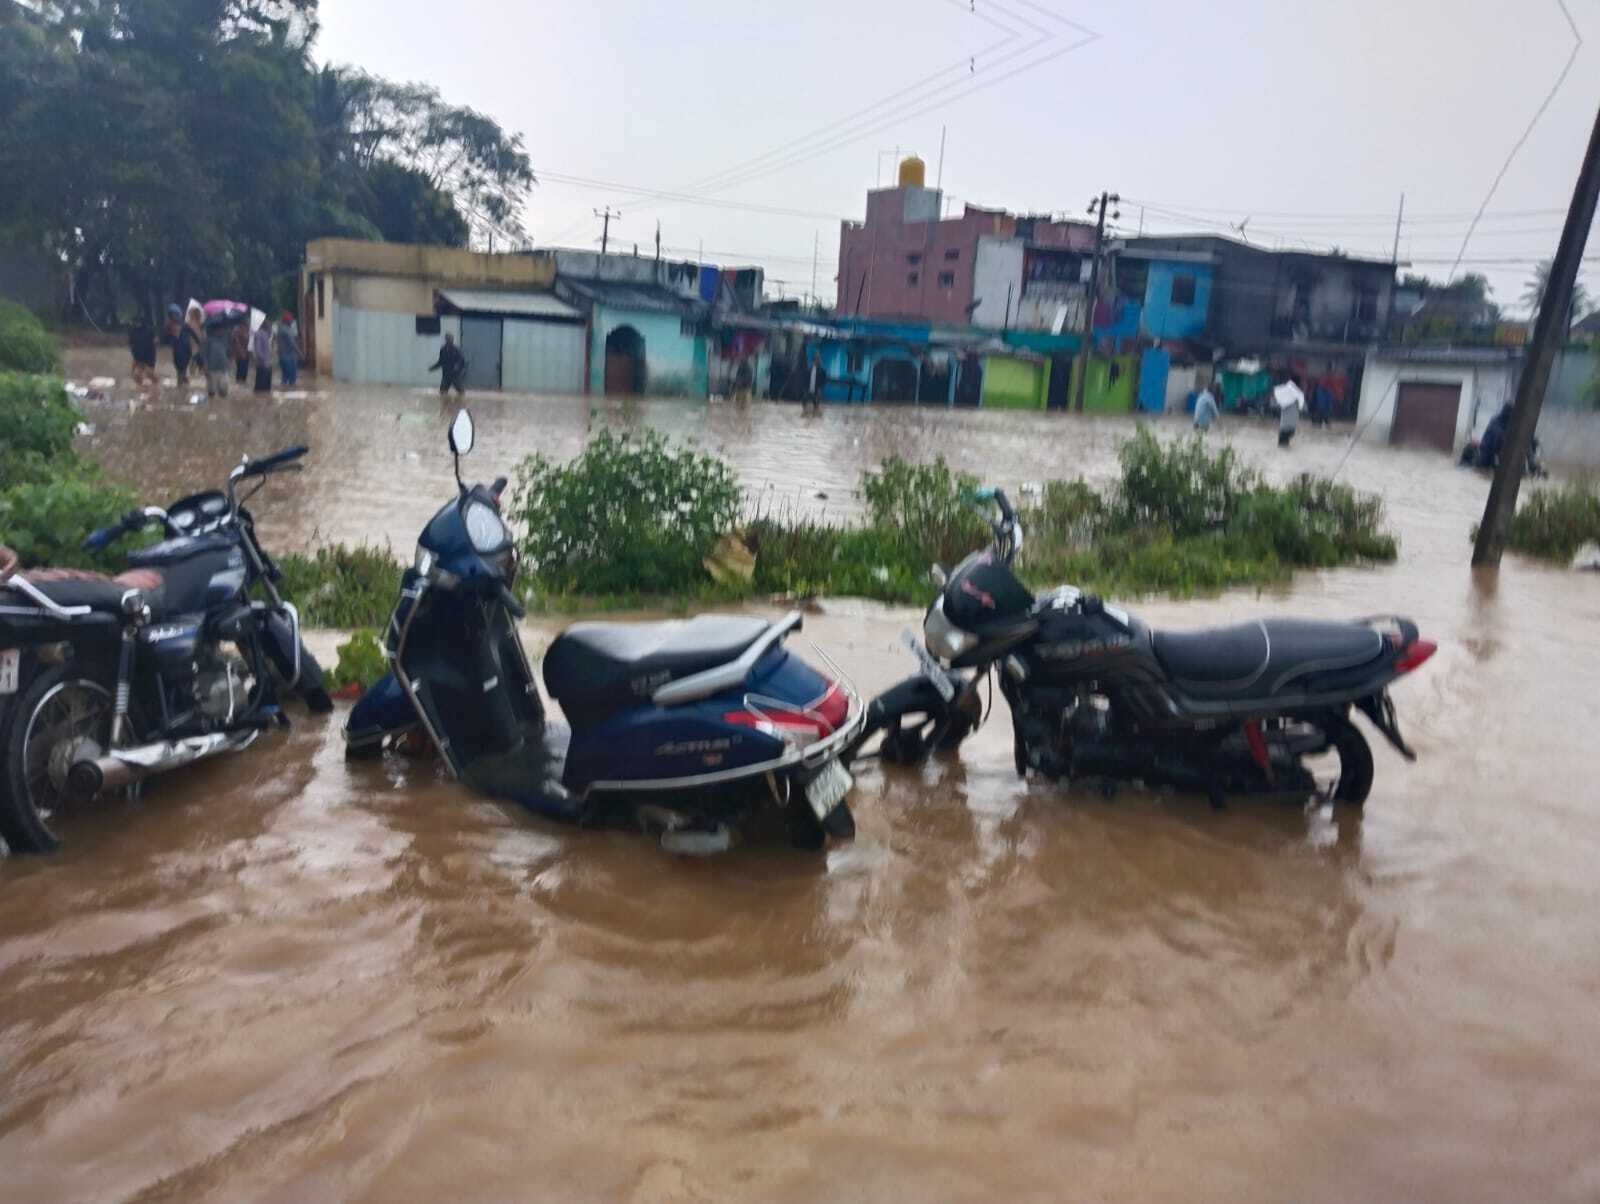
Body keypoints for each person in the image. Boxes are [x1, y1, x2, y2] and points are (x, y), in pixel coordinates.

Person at [202, 318, 232, 397]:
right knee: (211, 392)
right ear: (215, 330)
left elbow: (228, 353)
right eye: (220, 329)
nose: (222, 331)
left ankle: (220, 407)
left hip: (223, 368)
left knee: (224, 391)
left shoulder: (225, 339)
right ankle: (212, 407)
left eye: (223, 329)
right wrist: (205, 367)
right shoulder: (208, 341)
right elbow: (204, 355)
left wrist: (229, 362)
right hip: (212, 369)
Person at [1273, 376, 1305, 448]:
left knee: (1282, 446)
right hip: (1292, 426)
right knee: (1286, 445)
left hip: (1284, 427)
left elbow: (1279, 401)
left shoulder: (1285, 392)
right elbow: (1301, 406)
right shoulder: (1297, 394)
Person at [129, 317, 157, 388]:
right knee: (136, 375)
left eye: (138, 322)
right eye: (136, 322)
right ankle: (141, 387)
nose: (137, 324)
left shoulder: (149, 330)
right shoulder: (133, 332)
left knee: (150, 374)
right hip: (138, 357)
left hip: (149, 357)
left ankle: (154, 386)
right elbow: (132, 344)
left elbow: (154, 342)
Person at [276, 310, 300, 387]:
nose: (292, 321)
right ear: (286, 321)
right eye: (290, 320)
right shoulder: (285, 330)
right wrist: (300, 353)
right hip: (287, 356)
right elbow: (292, 343)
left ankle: (285, 393)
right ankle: (291, 394)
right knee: (291, 377)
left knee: (285, 377)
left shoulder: (282, 329)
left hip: (285, 355)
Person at [250, 318, 274, 393]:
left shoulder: (266, 334)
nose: (270, 326)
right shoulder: (259, 334)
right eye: (269, 324)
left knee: (266, 385)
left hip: (267, 362)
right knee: (261, 385)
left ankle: (264, 399)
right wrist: (263, 361)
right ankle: (259, 398)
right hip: (262, 363)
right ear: (264, 324)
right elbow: (258, 350)